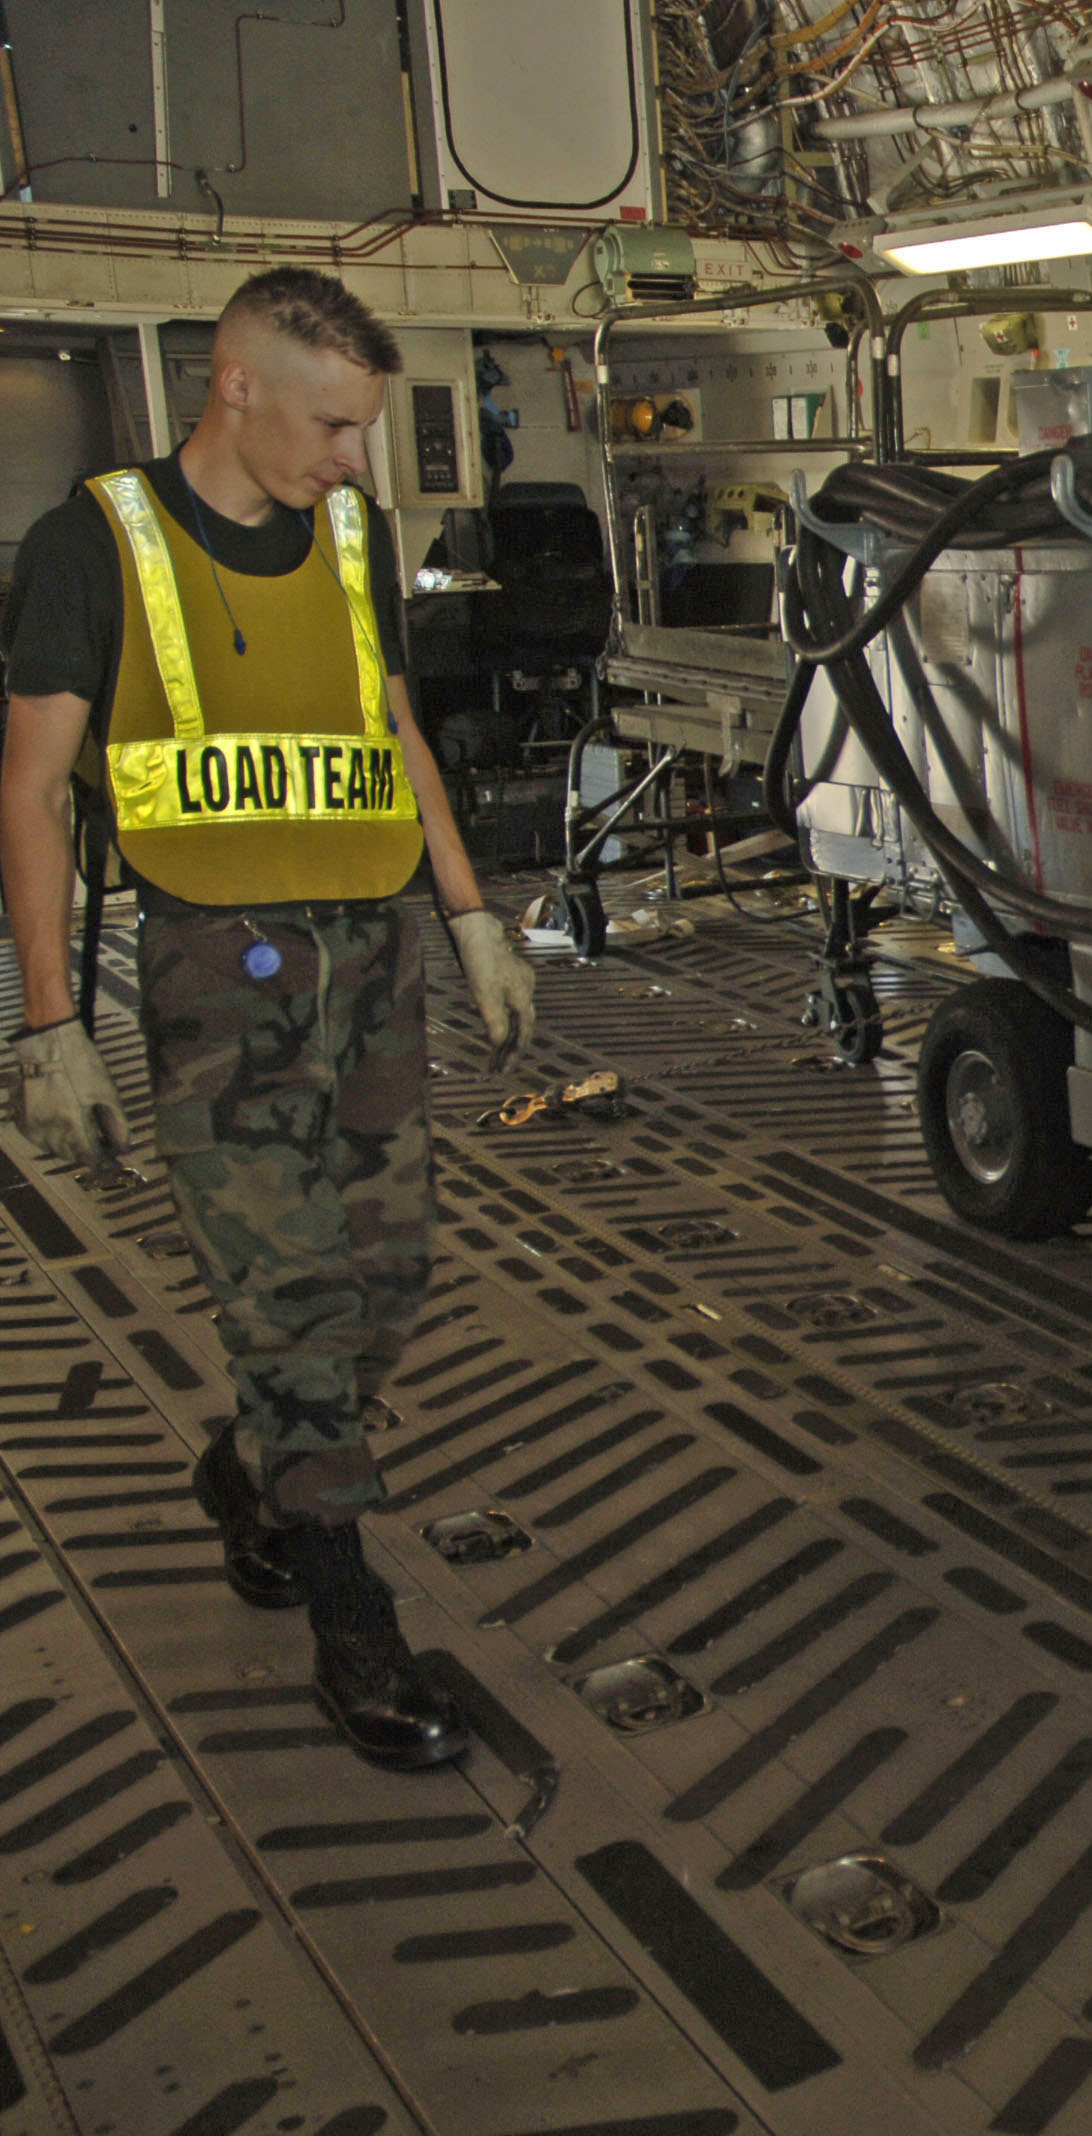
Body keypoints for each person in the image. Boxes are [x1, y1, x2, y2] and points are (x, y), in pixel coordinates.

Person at [0, 269, 536, 1770]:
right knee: (291, 1299)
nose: (354, 459)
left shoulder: (355, 535)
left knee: (387, 1276)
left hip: (374, 961)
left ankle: (254, 1469)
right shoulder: (93, 545)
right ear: (235, 388)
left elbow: (392, 726)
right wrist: (48, 1017)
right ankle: (351, 1621)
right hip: (217, 978)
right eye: (333, 425)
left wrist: (472, 911)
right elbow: (31, 789)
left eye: (362, 428)